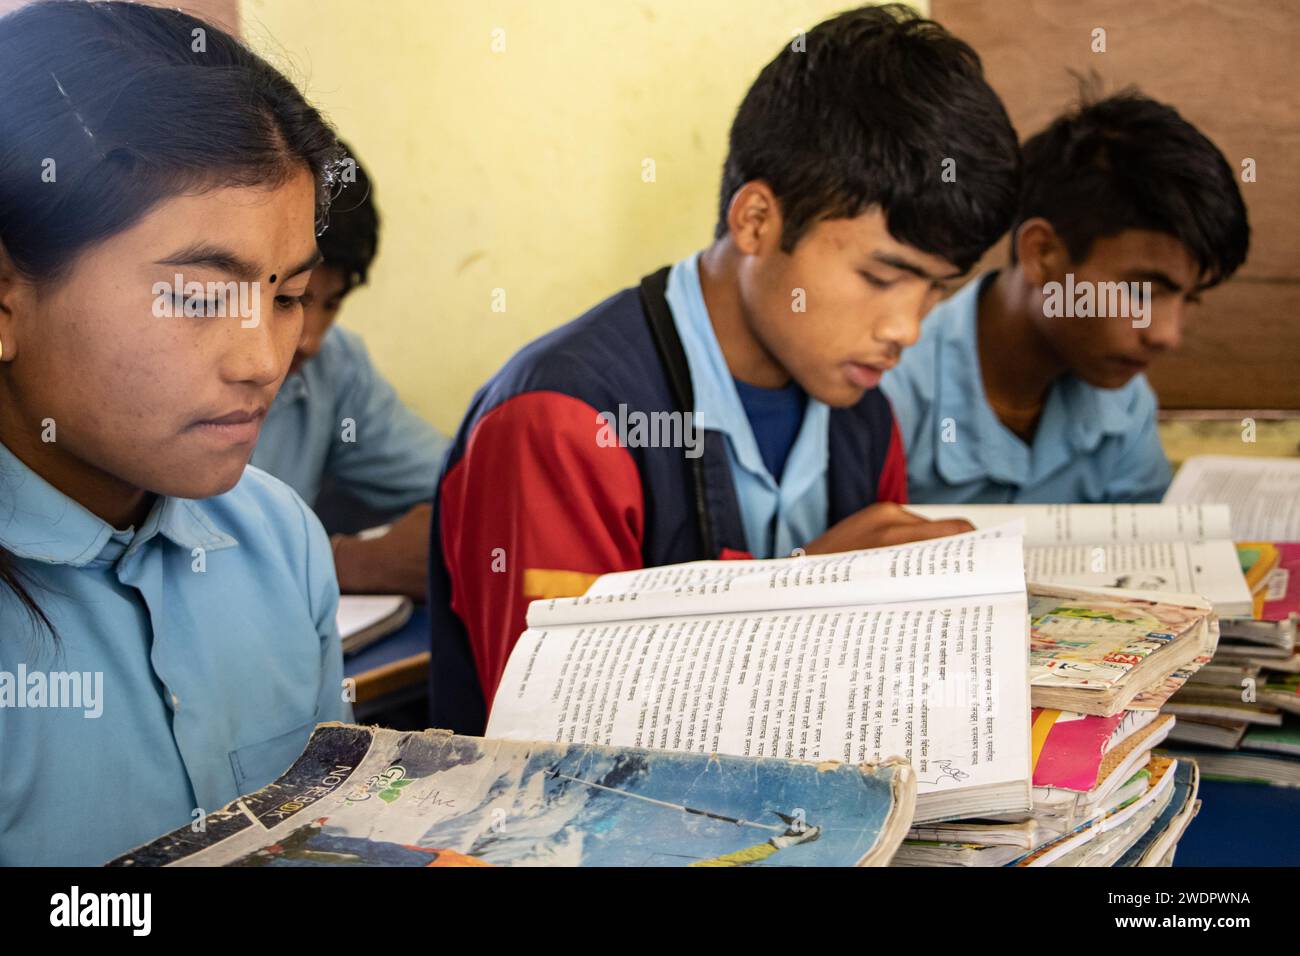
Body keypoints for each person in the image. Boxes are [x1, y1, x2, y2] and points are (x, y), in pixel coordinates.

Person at [427, 4, 1020, 733]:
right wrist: (806, 587)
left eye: (939, 289)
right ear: (756, 221)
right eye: (882, 275)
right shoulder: (562, 423)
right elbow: (555, 737)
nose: (908, 329)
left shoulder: (866, 420)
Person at [0, 0, 352, 865]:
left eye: (288, 296)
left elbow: (327, 836)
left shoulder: (278, 541)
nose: (264, 359)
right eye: (198, 296)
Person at [881, 90, 1250, 504]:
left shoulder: (1125, 402)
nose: (1167, 335)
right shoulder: (888, 387)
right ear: (1042, 253)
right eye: (1143, 292)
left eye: (1189, 299)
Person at [251, 145, 448, 600]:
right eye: (290, 298)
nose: (310, 339)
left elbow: (460, 483)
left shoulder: (335, 366)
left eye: (333, 302)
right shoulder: (167, 371)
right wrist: (342, 563)